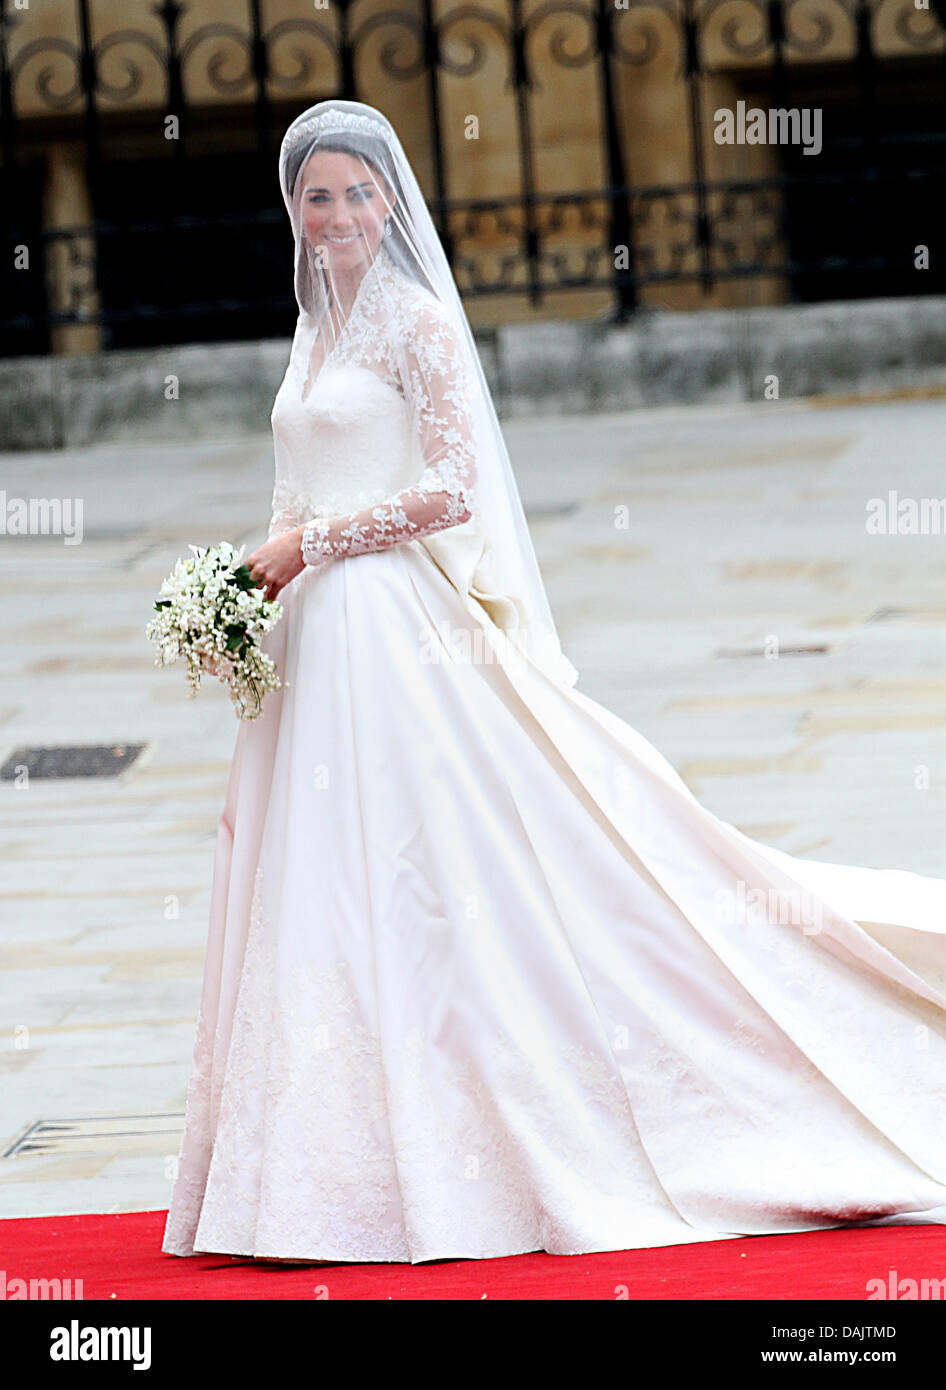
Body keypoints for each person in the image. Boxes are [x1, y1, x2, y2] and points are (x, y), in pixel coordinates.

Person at [162, 98, 946, 1265]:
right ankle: (317, 1170)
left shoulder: (416, 323)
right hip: (316, 642)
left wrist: (311, 548)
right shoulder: (311, 327)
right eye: (313, 196)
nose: (334, 216)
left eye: (354, 193)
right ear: (292, 210)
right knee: (310, 877)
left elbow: (454, 490)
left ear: (390, 202)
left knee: (419, 873)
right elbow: (297, 484)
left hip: (394, 627)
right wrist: (243, 587)